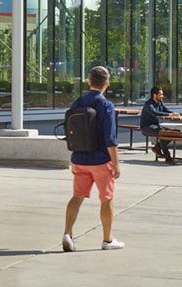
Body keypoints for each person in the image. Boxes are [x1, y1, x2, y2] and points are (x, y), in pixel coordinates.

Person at [62, 66, 122, 252]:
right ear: (107, 84)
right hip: (100, 160)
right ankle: (107, 240)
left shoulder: (77, 102)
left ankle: (67, 234)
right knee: (106, 199)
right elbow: (110, 139)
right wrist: (116, 164)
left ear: (89, 81)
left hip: (79, 158)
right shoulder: (106, 105)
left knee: (77, 197)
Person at [138, 85, 175, 163]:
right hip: (146, 127)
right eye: (160, 94)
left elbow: (166, 110)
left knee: (173, 133)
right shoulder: (148, 104)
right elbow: (155, 113)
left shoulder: (160, 103)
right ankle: (168, 156)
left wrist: (174, 113)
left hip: (156, 126)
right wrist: (169, 115)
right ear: (155, 95)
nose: (162, 96)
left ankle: (158, 147)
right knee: (162, 133)